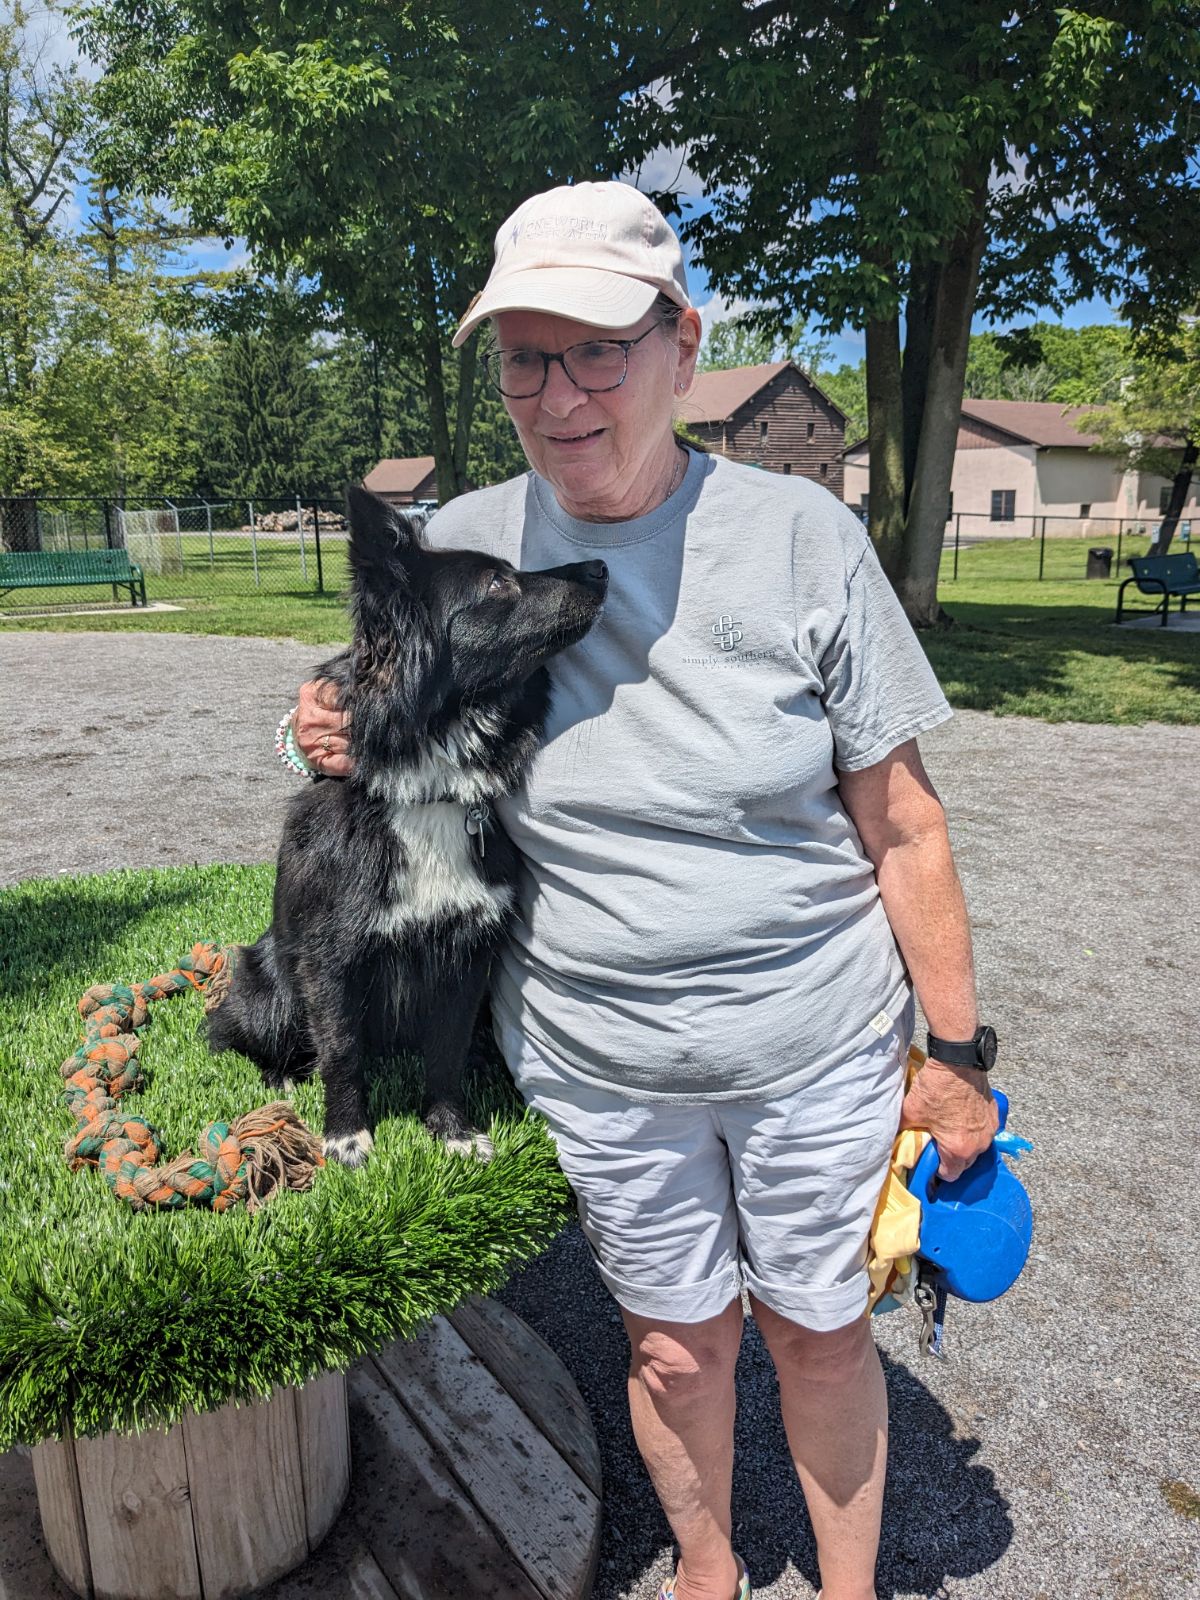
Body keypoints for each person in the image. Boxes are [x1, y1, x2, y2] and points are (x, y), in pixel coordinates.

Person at [289, 181, 998, 1600]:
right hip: (600, 1058)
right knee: (676, 1345)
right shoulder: (465, 539)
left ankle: (847, 1588)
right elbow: (362, 697)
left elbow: (904, 824)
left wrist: (962, 1053)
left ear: (683, 341)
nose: (559, 394)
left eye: (599, 350)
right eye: (525, 358)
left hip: (813, 1047)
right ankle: (708, 1565)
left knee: (818, 1333)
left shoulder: (803, 542)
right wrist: (304, 714)